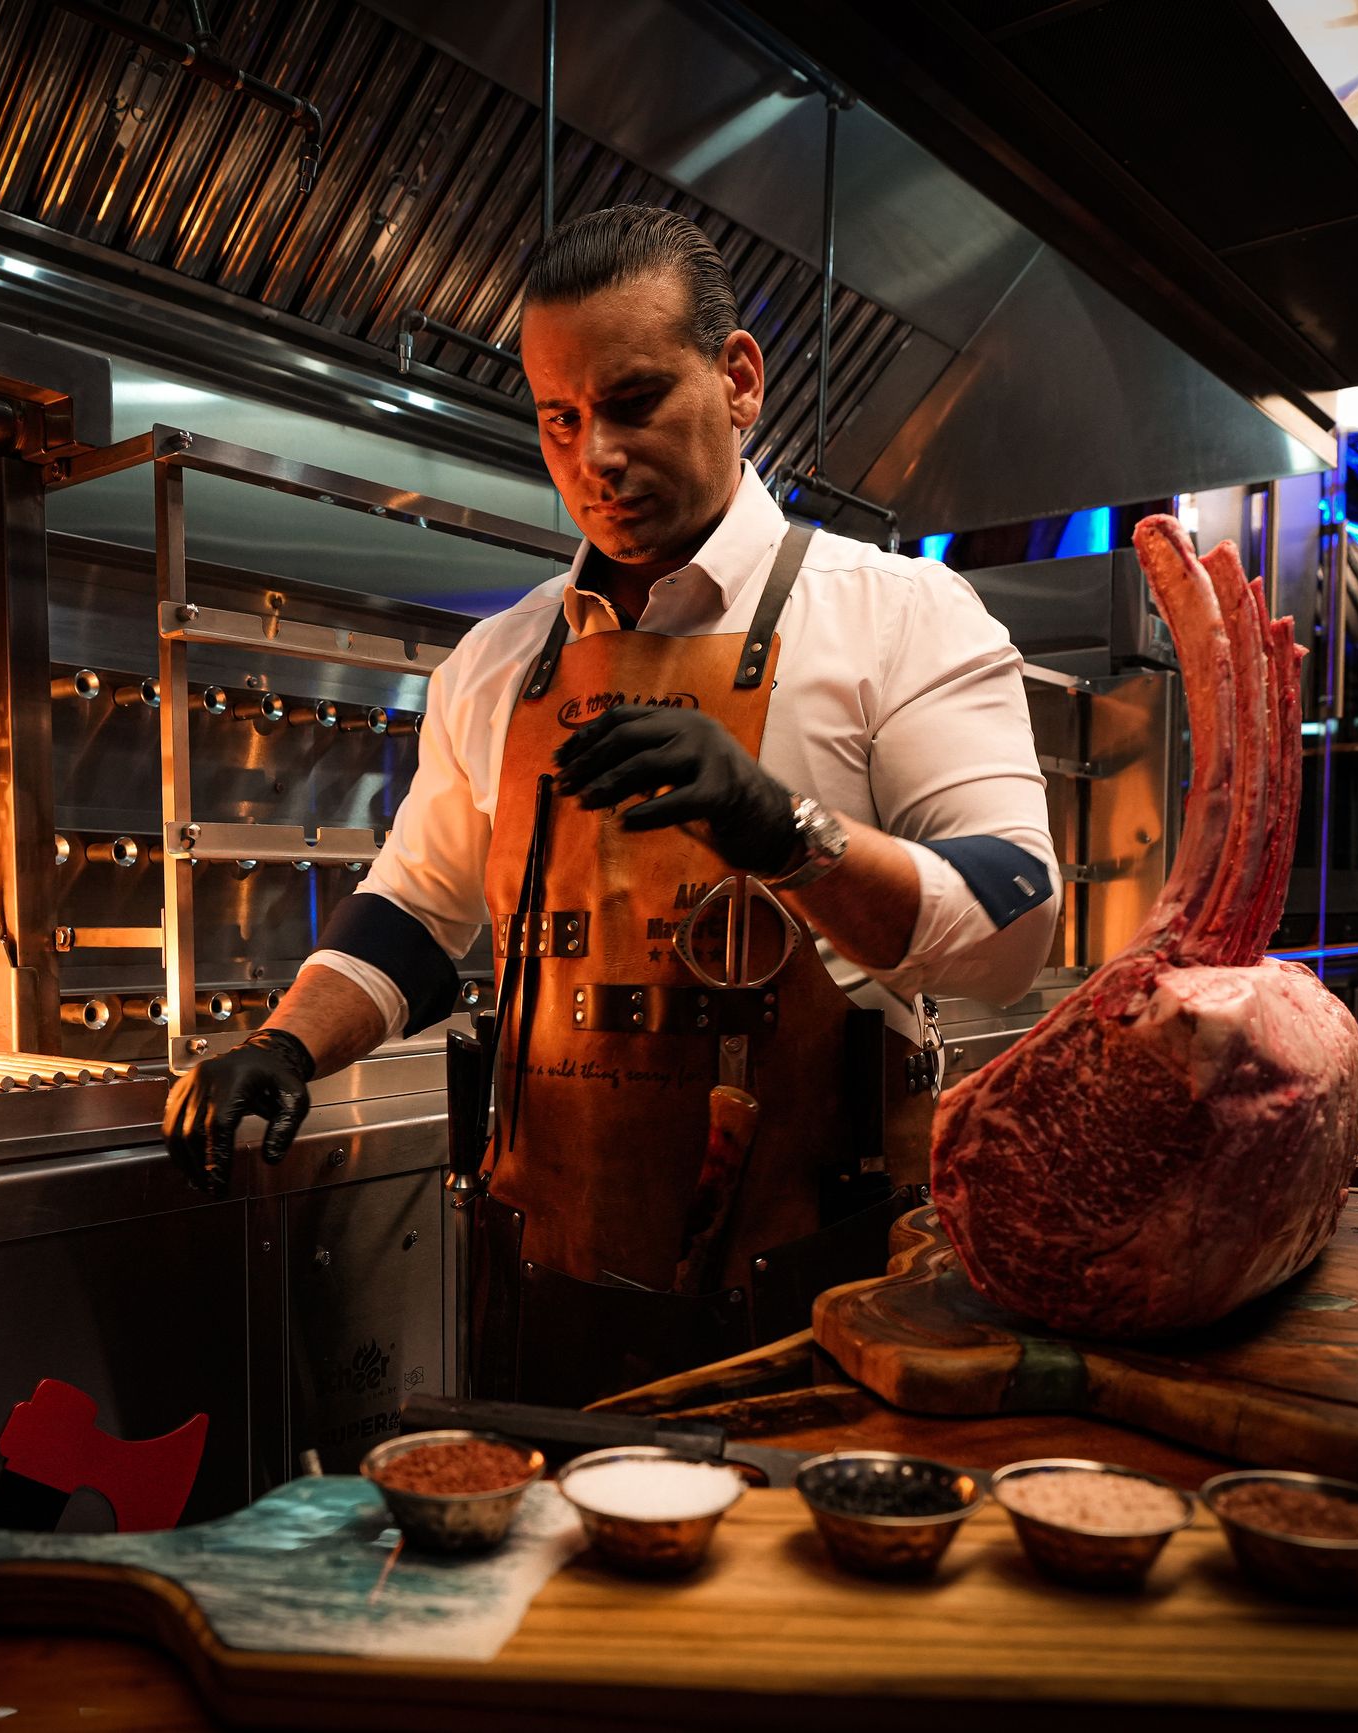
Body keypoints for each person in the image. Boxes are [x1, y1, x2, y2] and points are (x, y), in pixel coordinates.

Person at [165, 205, 1058, 1402]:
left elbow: (1014, 921)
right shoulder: (497, 657)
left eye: (633, 402)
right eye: (560, 419)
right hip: (542, 1279)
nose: (596, 456)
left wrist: (786, 832)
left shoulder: (898, 615)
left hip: (818, 1282)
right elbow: (417, 914)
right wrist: (286, 1041)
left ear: (737, 378)